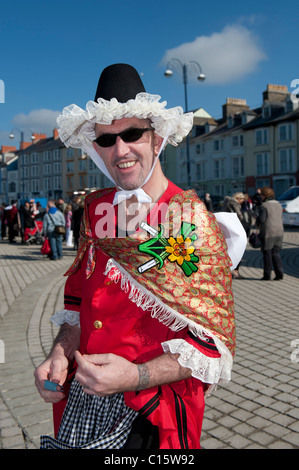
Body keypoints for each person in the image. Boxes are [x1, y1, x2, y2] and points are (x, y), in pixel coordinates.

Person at [34, 63, 241, 450]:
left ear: (157, 137)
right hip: (82, 401)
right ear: (95, 148)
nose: (120, 150)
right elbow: (78, 304)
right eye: (107, 139)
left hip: (153, 415)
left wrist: (136, 376)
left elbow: (213, 345)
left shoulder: (191, 222)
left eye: (131, 134)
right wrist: (60, 353)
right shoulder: (94, 213)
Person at [255, 186, 284, 280]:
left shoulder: (264, 206)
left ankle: (267, 275)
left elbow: (262, 219)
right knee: (275, 252)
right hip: (279, 231)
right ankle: (279, 274)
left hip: (268, 232)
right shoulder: (278, 204)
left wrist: (256, 220)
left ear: (264, 196)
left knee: (267, 253)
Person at [222, 192, 248, 278]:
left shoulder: (226, 202)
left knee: (229, 250)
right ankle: (235, 272)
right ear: (238, 199)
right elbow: (239, 216)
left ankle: (229, 271)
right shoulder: (234, 203)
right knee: (237, 249)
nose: (242, 202)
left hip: (227, 229)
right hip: (234, 229)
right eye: (242, 200)